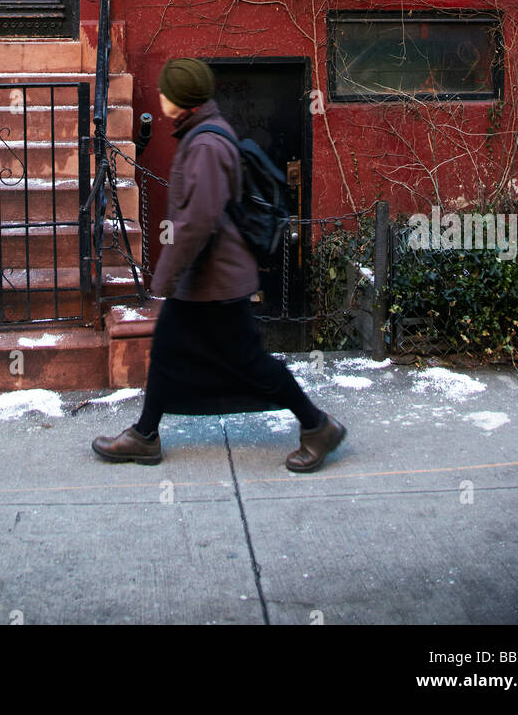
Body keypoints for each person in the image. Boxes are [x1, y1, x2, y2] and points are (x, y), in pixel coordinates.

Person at [92, 57, 347, 472]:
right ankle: (144, 435)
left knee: (252, 363)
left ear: (184, 101)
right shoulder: (199, 135)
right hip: (204, 281)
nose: (160, 97)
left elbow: (198, 221)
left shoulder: (206, 144)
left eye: (166, 92)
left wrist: (167, 275)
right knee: (168, 352)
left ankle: (317, 425)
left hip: (217, 282)